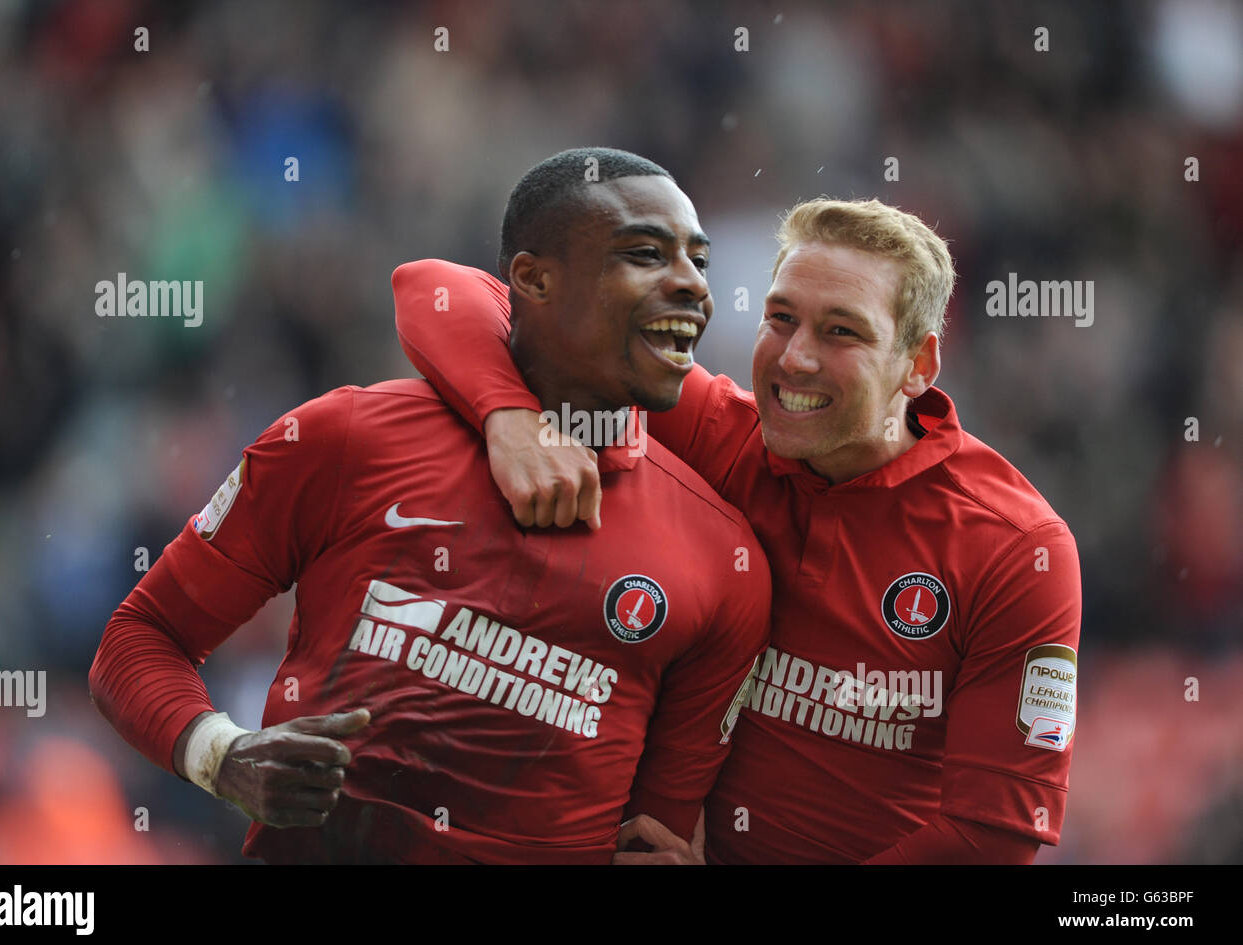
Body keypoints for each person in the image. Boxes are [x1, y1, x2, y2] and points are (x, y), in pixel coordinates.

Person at [89, 147, 771, 864]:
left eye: (700, 261)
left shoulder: (726, 563)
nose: (694, 285)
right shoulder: (346, 437)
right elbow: (140, 637)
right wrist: (221, 753)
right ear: (533, 280)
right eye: (646, 254)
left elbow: (653, 838)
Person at [390, 197, 1083, 864]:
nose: (795, 359)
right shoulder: (716, 431)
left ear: (919, 364)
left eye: (841, 330)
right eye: (781, 318)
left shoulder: (1017, 548)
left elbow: (990, 837)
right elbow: (438, 288)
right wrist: (507, 414)